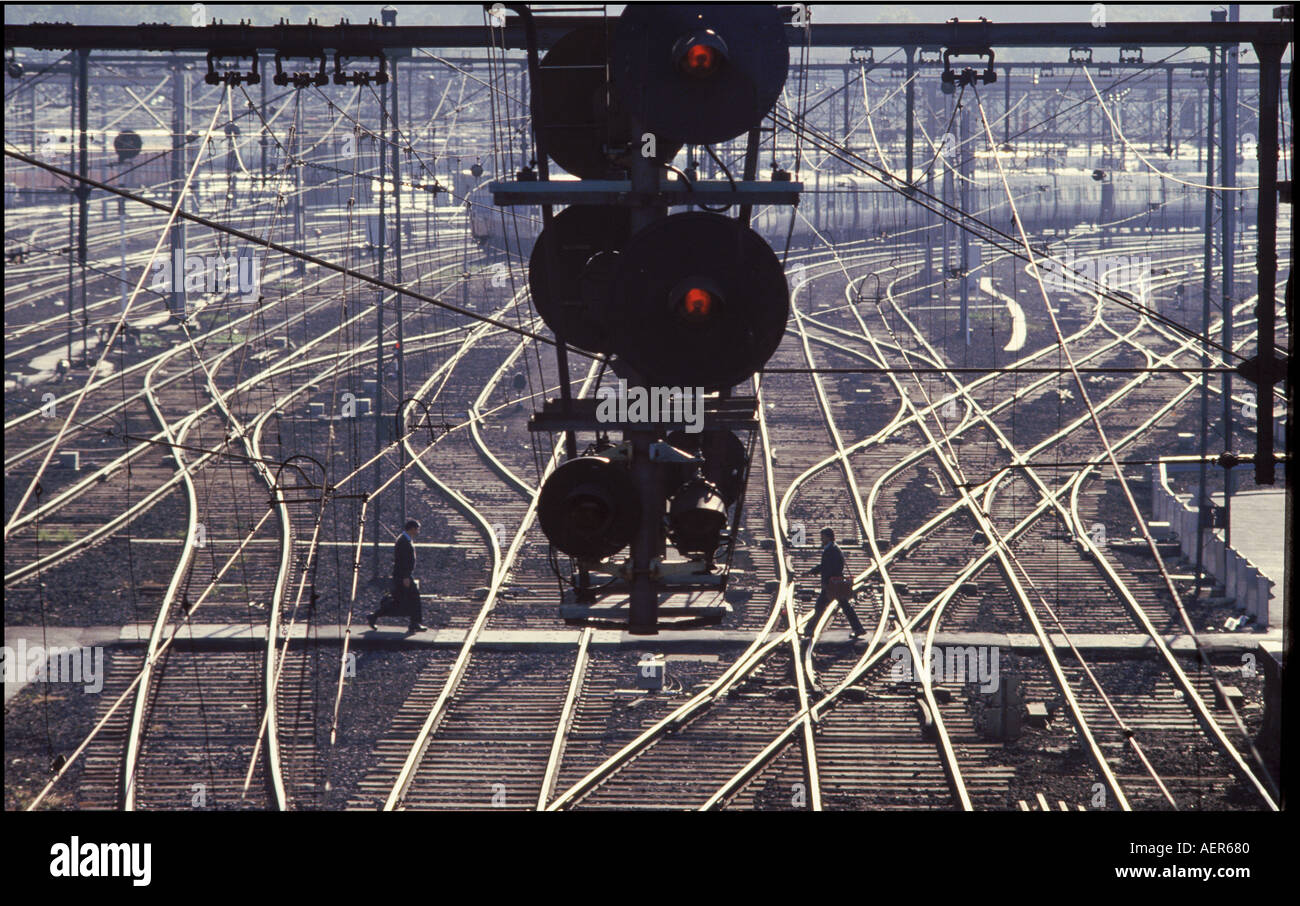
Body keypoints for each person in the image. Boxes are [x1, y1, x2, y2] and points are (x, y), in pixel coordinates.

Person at [805, 527, 866, 640]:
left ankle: (809, 630)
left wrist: (827, 579)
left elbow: (829, 567)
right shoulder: (833, 548)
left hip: (832, 584)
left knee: (820, 607)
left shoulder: (832, 549)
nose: (821, 539)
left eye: (822, 537)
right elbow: (826, 566)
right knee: (845, 607)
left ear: (828, 537)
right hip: (834, 583)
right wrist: (812, 571)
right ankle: (858, 629)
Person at [369, 519, 428, 633]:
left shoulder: (405, 539)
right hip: (403, 576)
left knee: (403, 600)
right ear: (411, 529)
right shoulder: (403, 541)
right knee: (409, 599)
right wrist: (406, 576)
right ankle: (414, 623)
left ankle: (414, 623)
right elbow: (402, 561)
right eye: (417, 529)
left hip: (403, 575)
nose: (418, 532)